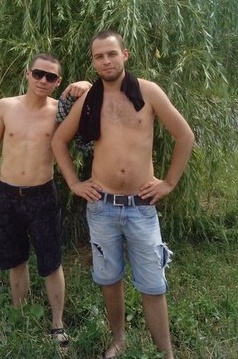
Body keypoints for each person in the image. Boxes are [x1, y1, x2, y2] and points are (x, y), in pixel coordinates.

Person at [52, 31, 195, 359]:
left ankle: (166, 353)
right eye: (99, 56)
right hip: (101, 207)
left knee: (153, 284)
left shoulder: (147, 91)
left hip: (141, 207)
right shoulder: (90, 100)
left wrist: (168, 183)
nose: (106, 61)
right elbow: (59, 140)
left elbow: (184, 136)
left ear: (125, 55)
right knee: (109, 279)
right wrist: (74, 183)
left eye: (111, 54)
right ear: (93, 62)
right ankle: (118, 340)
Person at [0, 53, 90, 349]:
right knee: (15, 260)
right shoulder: (6, 106)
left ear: (58, 82)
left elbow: (93, 111)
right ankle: (19, 317)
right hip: (7, 195)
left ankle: (57, 324)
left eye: (51, 77)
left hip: (42, 196)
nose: (43, 80)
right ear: (28, 74)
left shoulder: (60, 112)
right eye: (38, 74)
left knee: (51, 262)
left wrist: (85, 85)